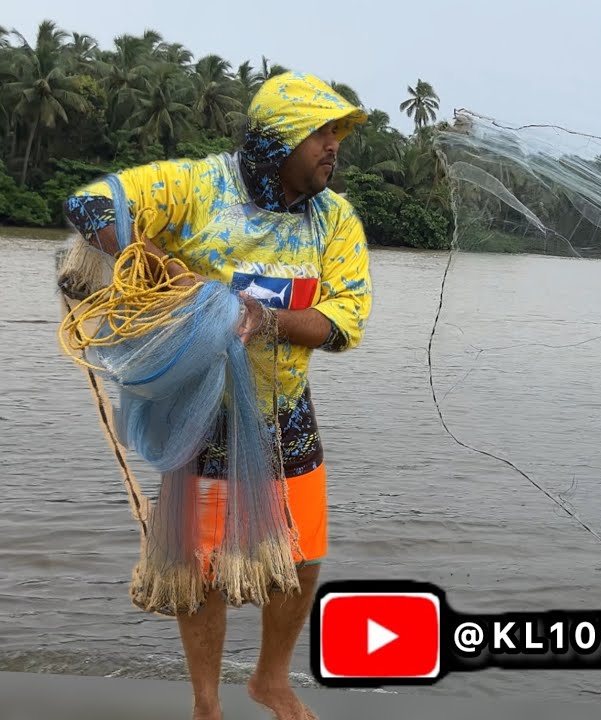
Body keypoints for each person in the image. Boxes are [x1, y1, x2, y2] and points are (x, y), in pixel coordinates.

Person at [60, 72, 373, 720]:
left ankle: (270, 680)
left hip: (284, 411)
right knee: (201, 570)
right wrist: (156, 263)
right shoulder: (201, 187)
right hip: (199, 408)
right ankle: (207, 703)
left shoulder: (334, 221)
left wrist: (269, 321)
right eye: (320, 131)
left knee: (304, 555)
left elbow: (344, 323)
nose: (333, 146)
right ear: (275, 139)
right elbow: (89, 204)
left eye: (338, 133)